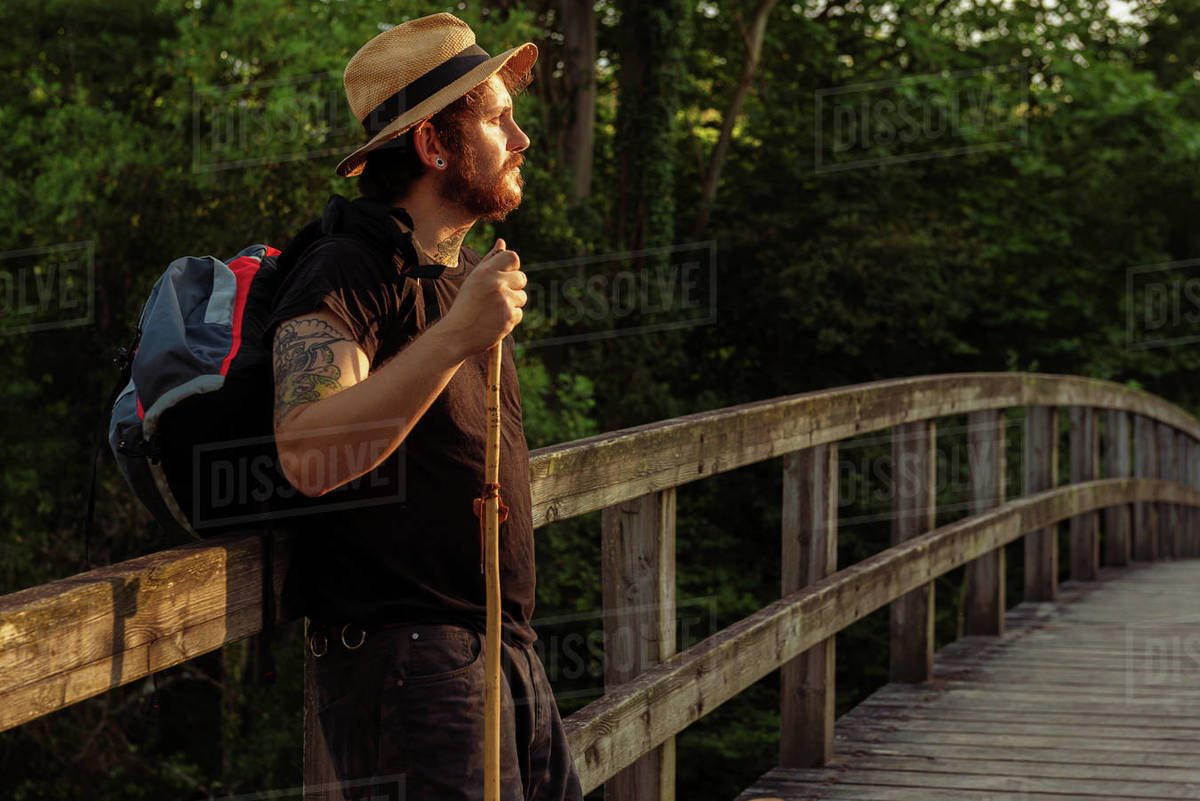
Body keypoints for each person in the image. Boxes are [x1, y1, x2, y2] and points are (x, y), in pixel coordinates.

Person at [262, 13, 584, 801]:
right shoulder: (342, 268)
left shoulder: (457, 272)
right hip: (412, 664)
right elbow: (307, 451)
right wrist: (454, 336)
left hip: (505, 652)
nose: (523, 138)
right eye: (497, 118)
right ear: (434, 147)